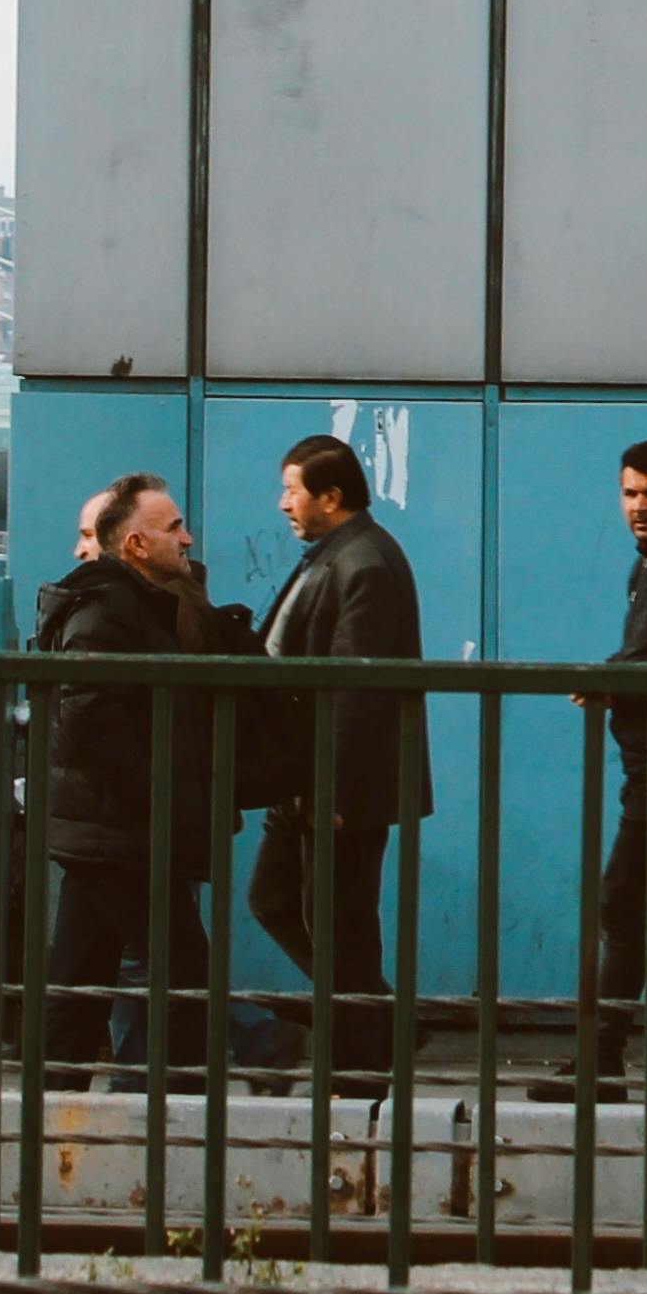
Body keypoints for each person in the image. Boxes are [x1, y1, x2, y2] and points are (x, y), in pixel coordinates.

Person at [529, 436, 647, 1106]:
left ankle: (598, 1064)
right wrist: (616, 674)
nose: (639, 506)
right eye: (630, 492)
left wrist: (619, 682)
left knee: (622, 900)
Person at [247, 434, 429, 1082]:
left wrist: (335, 792)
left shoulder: (364, 563)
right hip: (303, 777)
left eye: (291, 491)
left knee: (341, 923)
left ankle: (358, 1059)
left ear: (330, 496)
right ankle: (381, 1021)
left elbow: (359, 691)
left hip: (333, 784)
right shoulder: (337, 554)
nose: (282, 504)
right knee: (277, 900)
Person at [34, 472, 214, 1087]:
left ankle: (52, 1114)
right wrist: (153, 796)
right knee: (184, 973)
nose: (187, 538)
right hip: (120, 827)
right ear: (137, 545)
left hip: (104, 826)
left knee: (80, 975)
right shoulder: (111, 607)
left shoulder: (130, 604)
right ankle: (181, 1121)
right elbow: (87, 710)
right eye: (173, 529)